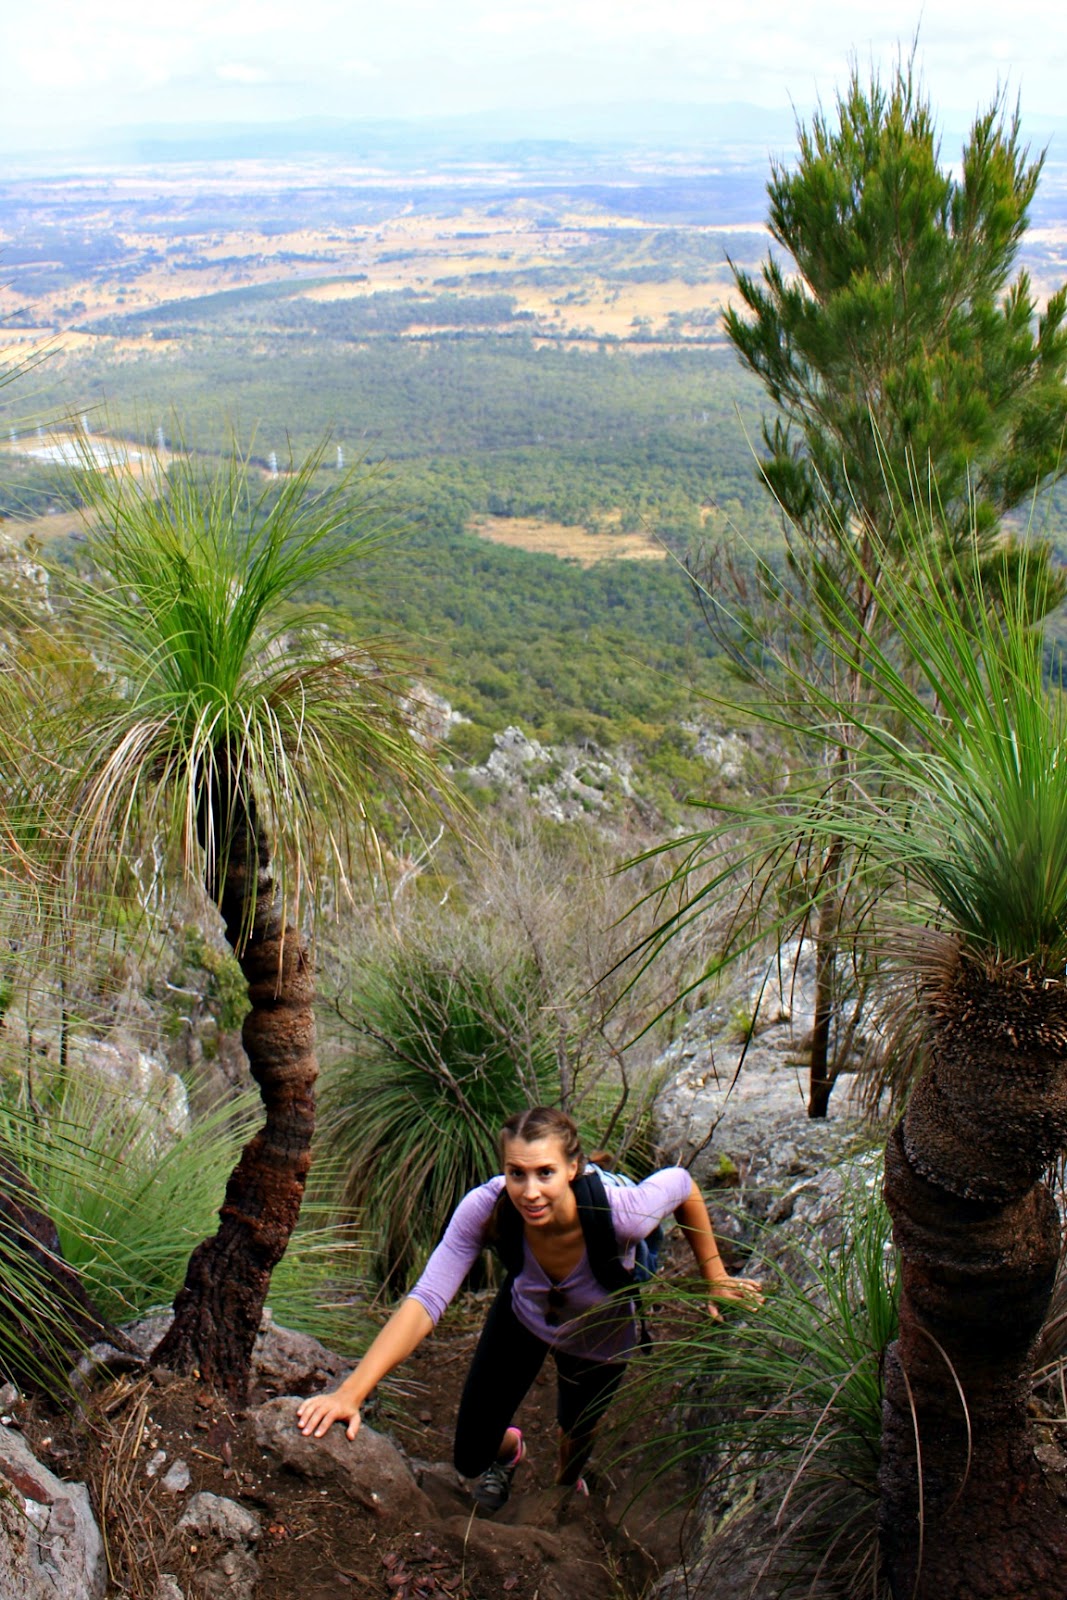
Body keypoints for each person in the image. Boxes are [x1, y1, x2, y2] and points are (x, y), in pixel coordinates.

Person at [296, 1105, 761, 1510]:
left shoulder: (622, 1214)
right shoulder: (486, 1207)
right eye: (516, 1173)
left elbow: (682, 1184)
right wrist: (350, 1392)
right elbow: (427, 1300)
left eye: (545, 1173)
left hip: (600, 1333)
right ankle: (509, 1451)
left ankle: (563, 1488)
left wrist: (714, 1278)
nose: (530, 1191)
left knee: (575, 1431)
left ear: (572, 1168)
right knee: (470, 1456)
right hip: (524, 1316)